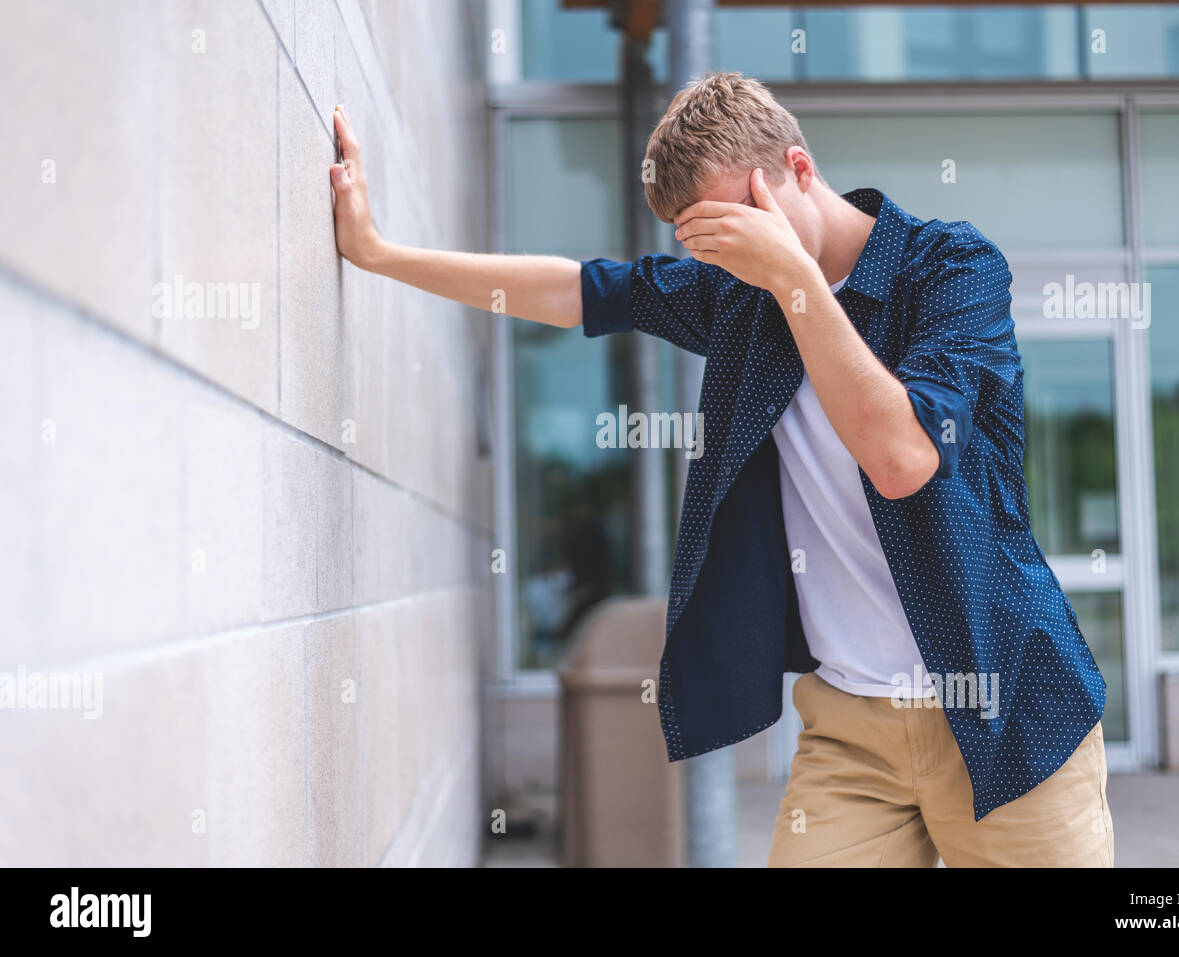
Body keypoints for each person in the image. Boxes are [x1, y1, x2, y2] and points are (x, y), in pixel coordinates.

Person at [328, 71, 1113, 868]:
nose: (731, 266)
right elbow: (578, 290)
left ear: (798, 171)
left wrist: (795, 280)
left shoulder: (951, 269)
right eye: (708, 245)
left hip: (1009, 710)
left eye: (738, 232)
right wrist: (377, 252)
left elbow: (902, 456)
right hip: (853, 733)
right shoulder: (746, 298)